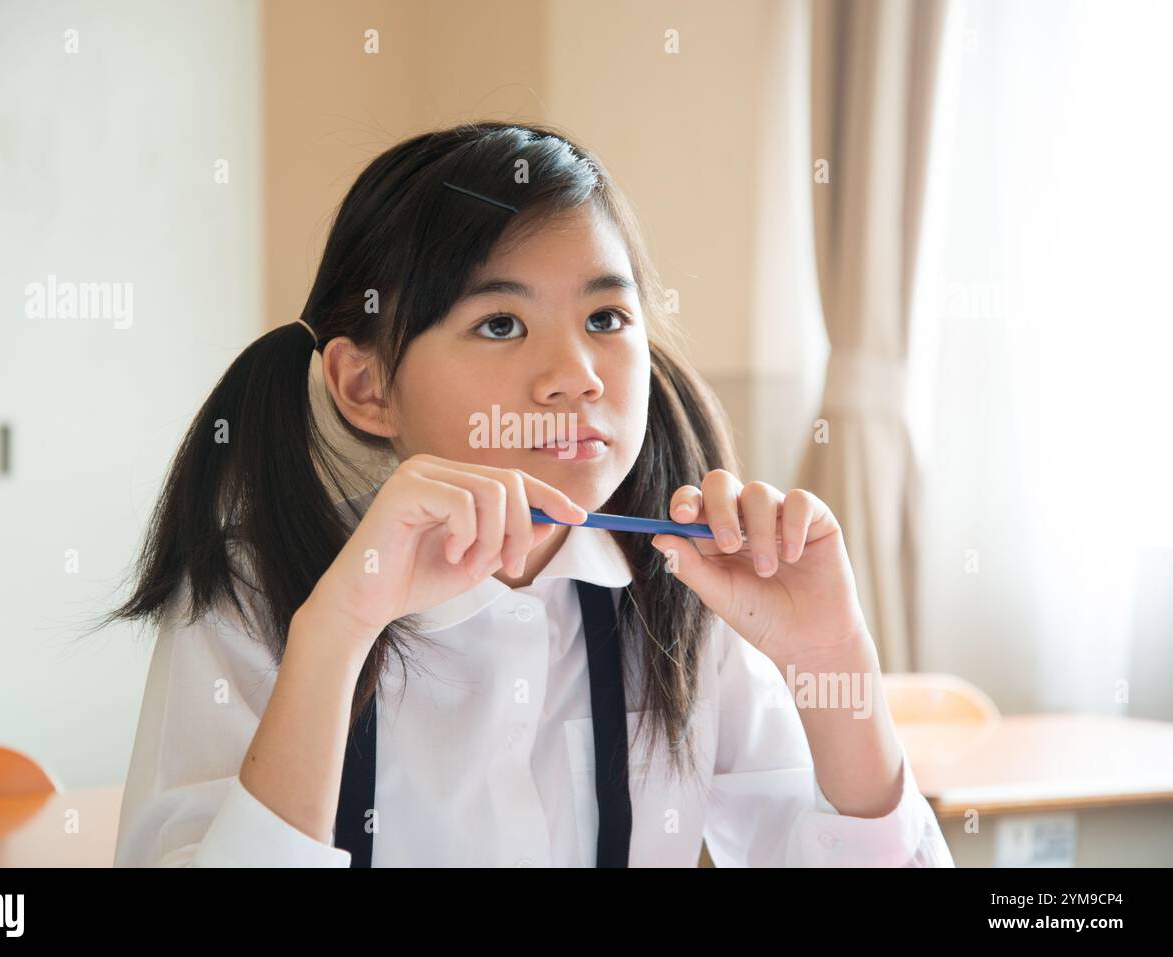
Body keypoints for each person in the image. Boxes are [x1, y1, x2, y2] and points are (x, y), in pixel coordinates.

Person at [99, 121, 954, 867]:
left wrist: (832, 658)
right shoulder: (255, 590)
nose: (575, 378)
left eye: (606, 320)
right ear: (365, 386)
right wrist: (337, 631)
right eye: (500, 324)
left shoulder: (681, 597)